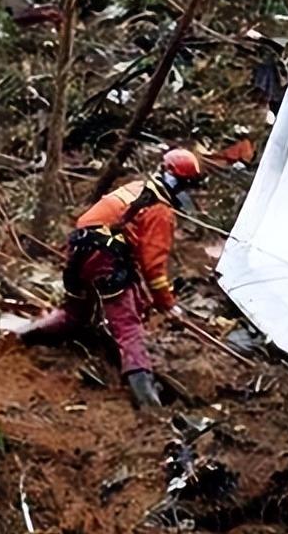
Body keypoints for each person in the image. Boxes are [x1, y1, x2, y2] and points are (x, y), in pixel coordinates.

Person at [19, 149, 205, 408]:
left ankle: (19, 336)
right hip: (104, 258)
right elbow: (153, 268)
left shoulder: (134, 189)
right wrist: (167, 305)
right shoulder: (160, 211)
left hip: (78, 251)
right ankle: (148, 403)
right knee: (128, 327)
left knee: (74, 313)